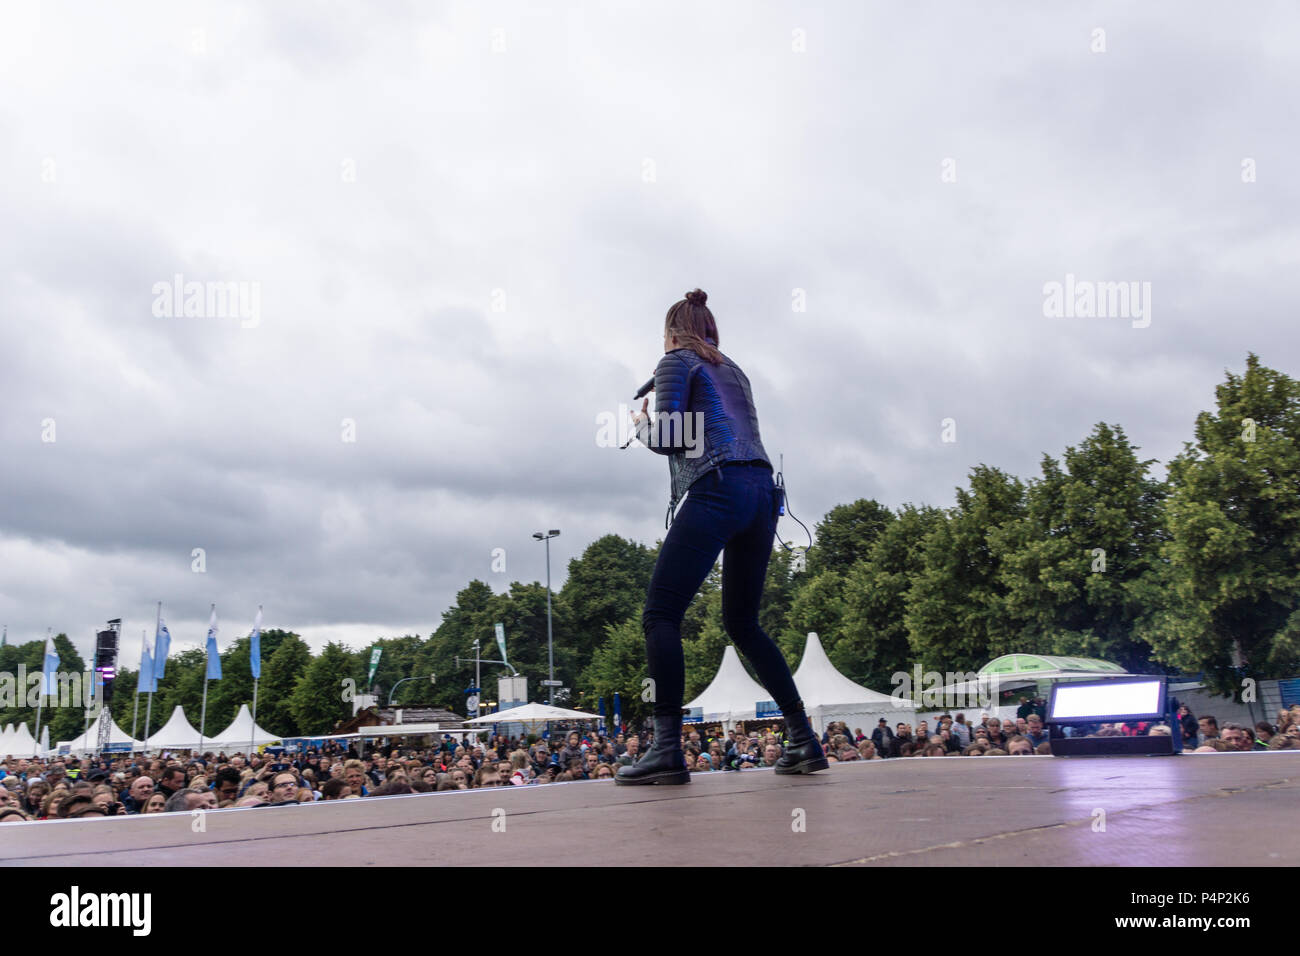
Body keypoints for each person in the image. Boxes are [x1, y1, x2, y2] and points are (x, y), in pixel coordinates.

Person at [616, 289, 827, 785]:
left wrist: (643, 427)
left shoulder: (674, 361)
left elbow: (671, 436)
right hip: (762, 493)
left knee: (661, 614)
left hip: (718, 488)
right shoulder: (735, 370)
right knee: (743, 624)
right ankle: (803, 740)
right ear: (711, 330)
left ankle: (667, 750)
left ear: (671, 331)